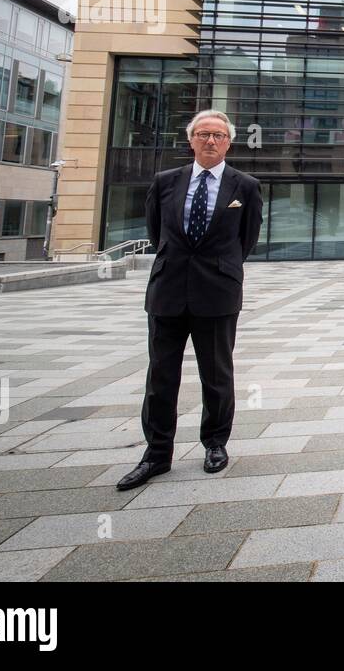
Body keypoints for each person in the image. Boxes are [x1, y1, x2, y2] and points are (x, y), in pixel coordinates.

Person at [117, 110, 263, 491]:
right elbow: (156, 234)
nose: (210, 141)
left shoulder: (244, 186)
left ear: (229, 142)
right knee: (160, 376)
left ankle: (215, 443)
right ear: (191, 140)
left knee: (216, 374)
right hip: (167, 291)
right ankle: (156, 453)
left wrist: (220, 269)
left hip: (217, 293)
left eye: (218, 135)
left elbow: (245, 241)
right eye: (203, 134)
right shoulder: (166, 182)